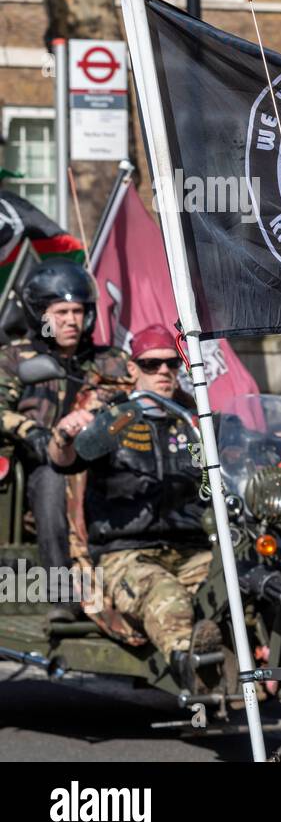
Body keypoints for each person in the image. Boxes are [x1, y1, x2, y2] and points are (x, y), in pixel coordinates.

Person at [45, 324, 219, 688]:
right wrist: (63, 435)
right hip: (125, 555)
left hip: (190, 548)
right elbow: (65, 461)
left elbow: (220, 470)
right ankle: (192, 668)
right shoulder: (113, 421)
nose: (163, 373)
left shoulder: (190, 423)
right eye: (151, 365)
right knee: (167, 599)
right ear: (133, 369)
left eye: (172, 364)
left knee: (245, 580)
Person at [0, 260, 131, 619]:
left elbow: (150, 396)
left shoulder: (112, 361)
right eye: (61, 312)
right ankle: (62, 594)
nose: (72, 320)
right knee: (51, 484)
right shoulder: (14, 358)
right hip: (45, 463)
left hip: (108, 461)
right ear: (40, 313)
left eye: (78, 311)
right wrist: (33, 433)